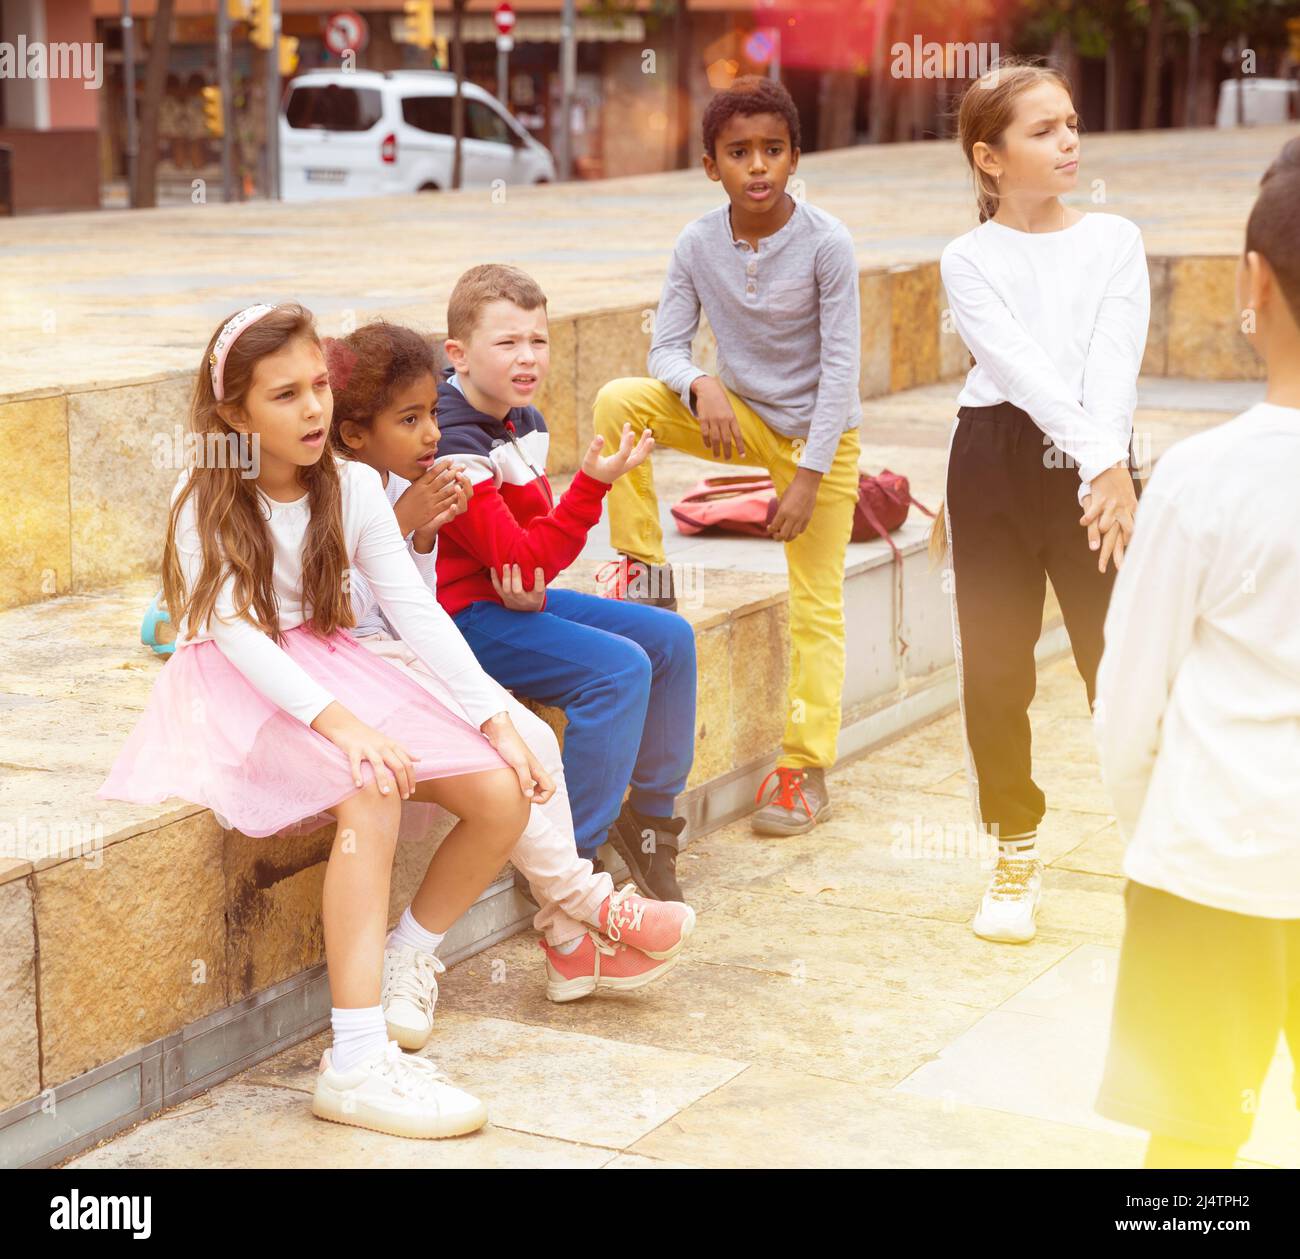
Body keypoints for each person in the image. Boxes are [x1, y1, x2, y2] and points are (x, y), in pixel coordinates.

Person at [98, 302, 547, 1140]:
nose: (313, 411)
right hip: (240, 680)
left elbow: (412, 606)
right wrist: (345, 727)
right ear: (234, 413)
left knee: (501, 790)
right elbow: (234, 631)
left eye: (317, 388)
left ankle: (409, 952)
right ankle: (354, 1057)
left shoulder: (348, 483)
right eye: (283, 396)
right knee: (369, 784)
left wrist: (495, 716)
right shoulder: (204, 493)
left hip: (326, 658)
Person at [324, 319, 696, 1008]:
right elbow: (335, 606)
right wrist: (407, 521)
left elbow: (413, 592)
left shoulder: (413, 467)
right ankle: (589, 908)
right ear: (354, 432)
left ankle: (570, 944)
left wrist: (419, 532)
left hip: (410, 643)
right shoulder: (344, 487)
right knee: (535, 737)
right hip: (354, 662)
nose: (433, 432)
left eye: (433, 413)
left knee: (537, 745)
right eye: (411, 419)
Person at [1093, 137, 1300, 1169]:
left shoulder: (1200, 478)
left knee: (1188, 1156)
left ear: (1251, 281)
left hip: (1209, 862)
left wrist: (1159, 832)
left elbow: (1127, 707)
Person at [592, 75, 862, 838]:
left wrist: (807, 475)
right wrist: (700, 381)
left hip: (823, 438)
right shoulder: (697, 242)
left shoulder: (827, 244)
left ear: (796, 156)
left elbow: (842, 369)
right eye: (739, 152)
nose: (758, 167)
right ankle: (645, 574)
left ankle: (804, 768)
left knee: (817, 602)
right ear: (712, 164)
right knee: (621, 398)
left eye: (773, 150)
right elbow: (665, 346)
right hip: (739, 416)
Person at [936, 59, 1149, 943]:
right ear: (990, 157)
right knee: (995, 671)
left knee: (1123, 669)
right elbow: (1019, 370)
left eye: (1070, 124)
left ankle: (1156, 857)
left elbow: (1114, 360)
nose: (1068, 141)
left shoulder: (1114, 239)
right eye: (1043, 130)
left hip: (1095, 463)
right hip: (993, 460)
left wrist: (1106, 466)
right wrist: (1105, 458)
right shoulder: (967, 258)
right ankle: (1013, 853)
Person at [432, 264, 699, 902]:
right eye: (507, 343)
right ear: (458, 353)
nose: (528, 358)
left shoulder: (521, 417)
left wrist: (528, 568)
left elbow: (530, 556)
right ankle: (568, 860)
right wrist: (593, 486)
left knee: (671, 638)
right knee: (618, 670)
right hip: (460, 615)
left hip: (510, 599)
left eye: (538, 340)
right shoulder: (451, 436)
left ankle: (652, 823)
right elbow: (527, 558)